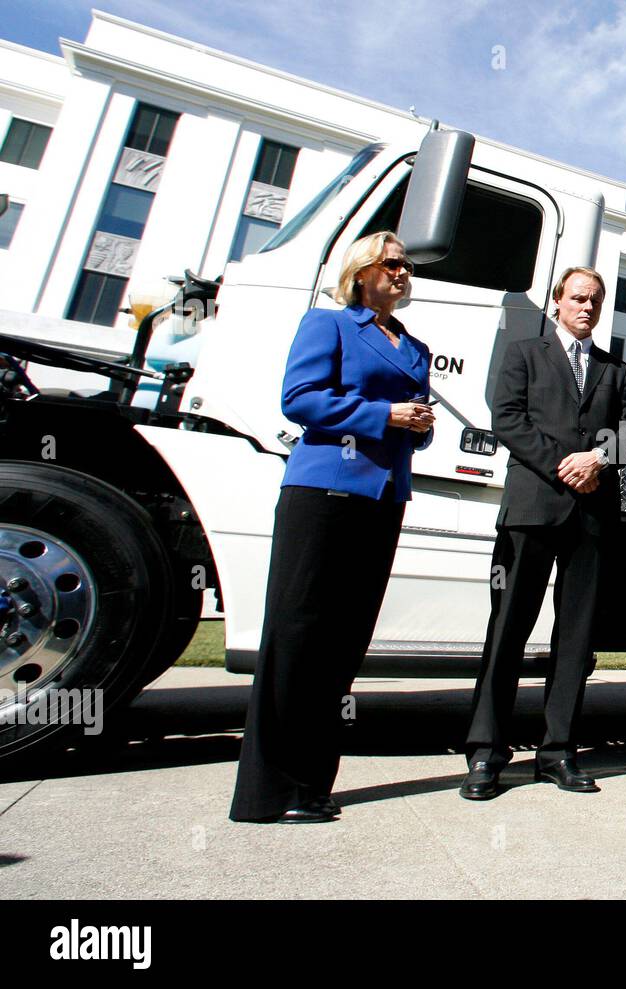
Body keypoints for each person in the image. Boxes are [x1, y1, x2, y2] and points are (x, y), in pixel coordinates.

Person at [230, 231, 434, 823]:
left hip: (383, 496)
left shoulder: (415, 345)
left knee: (344, 642)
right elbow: (300, 398)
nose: (401, 272)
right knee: (297, 636)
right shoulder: (329, 324)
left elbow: (414, 418)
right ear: (362, 272)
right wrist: (383, 414)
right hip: (323, 491)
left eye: (405, 266)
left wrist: (418, 425)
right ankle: (267, 792)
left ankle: (312, 782)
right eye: (391, 263)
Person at [459, 266, 626, 800]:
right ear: (557, 300)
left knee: (576, 639)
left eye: (595, 300)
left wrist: (598, 460)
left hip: (591, 514)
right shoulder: (524, 353)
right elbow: (506, 419)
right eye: (578, 297)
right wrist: (566, 463)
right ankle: (486, 753)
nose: (587, 307)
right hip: (533, 507)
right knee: (508, 629)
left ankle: (558, 752)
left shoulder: (616, 370)